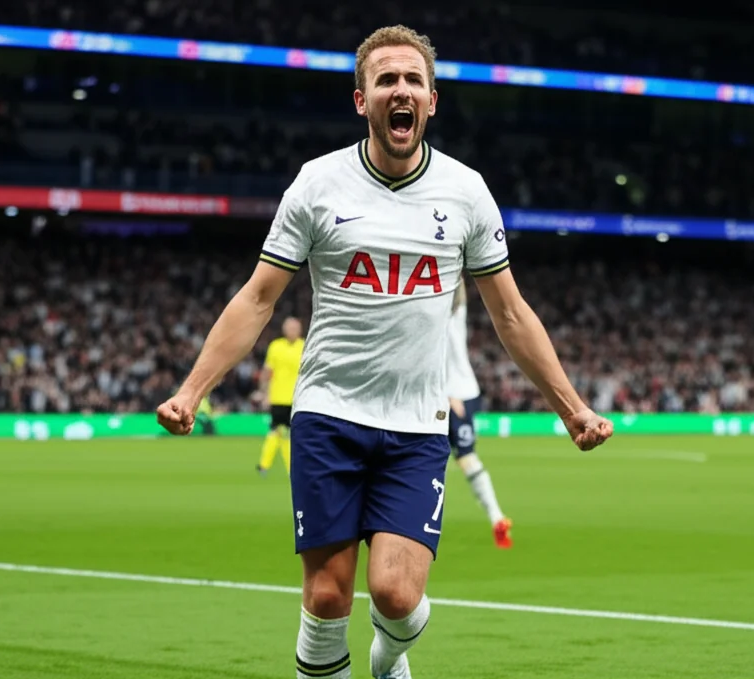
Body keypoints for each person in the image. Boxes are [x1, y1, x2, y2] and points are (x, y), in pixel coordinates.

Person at [156, 25, 613, 679]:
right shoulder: (317, 184)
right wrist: (192, 390)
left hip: (417, 423)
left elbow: (510, 312)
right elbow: (258, 298)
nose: (400, 91)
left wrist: (571, 406)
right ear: (361, 100)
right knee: (326, 597)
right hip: (328, 414)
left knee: (399, 597)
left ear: (432, 100)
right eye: (386, 80)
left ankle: (387, 656)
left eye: (412, 80)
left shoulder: (465, 192)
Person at [446, 276, 512, 548]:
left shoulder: (452, 313)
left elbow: (459, 292)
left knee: (464, 457)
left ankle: (497, 518)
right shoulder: (441, 315)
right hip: (449, 393)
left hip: (456, 393)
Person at [256, 316, 305, 476]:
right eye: (290, 328)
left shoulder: (305, 346)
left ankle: (287, 467)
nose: (292, 331)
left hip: (298, 398)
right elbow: (267, 372)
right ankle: (265, 464)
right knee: (277, 430)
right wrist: (264, 393)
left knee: (291, 433)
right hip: (278, 397)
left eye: (295, 328)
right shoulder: (275, 346)